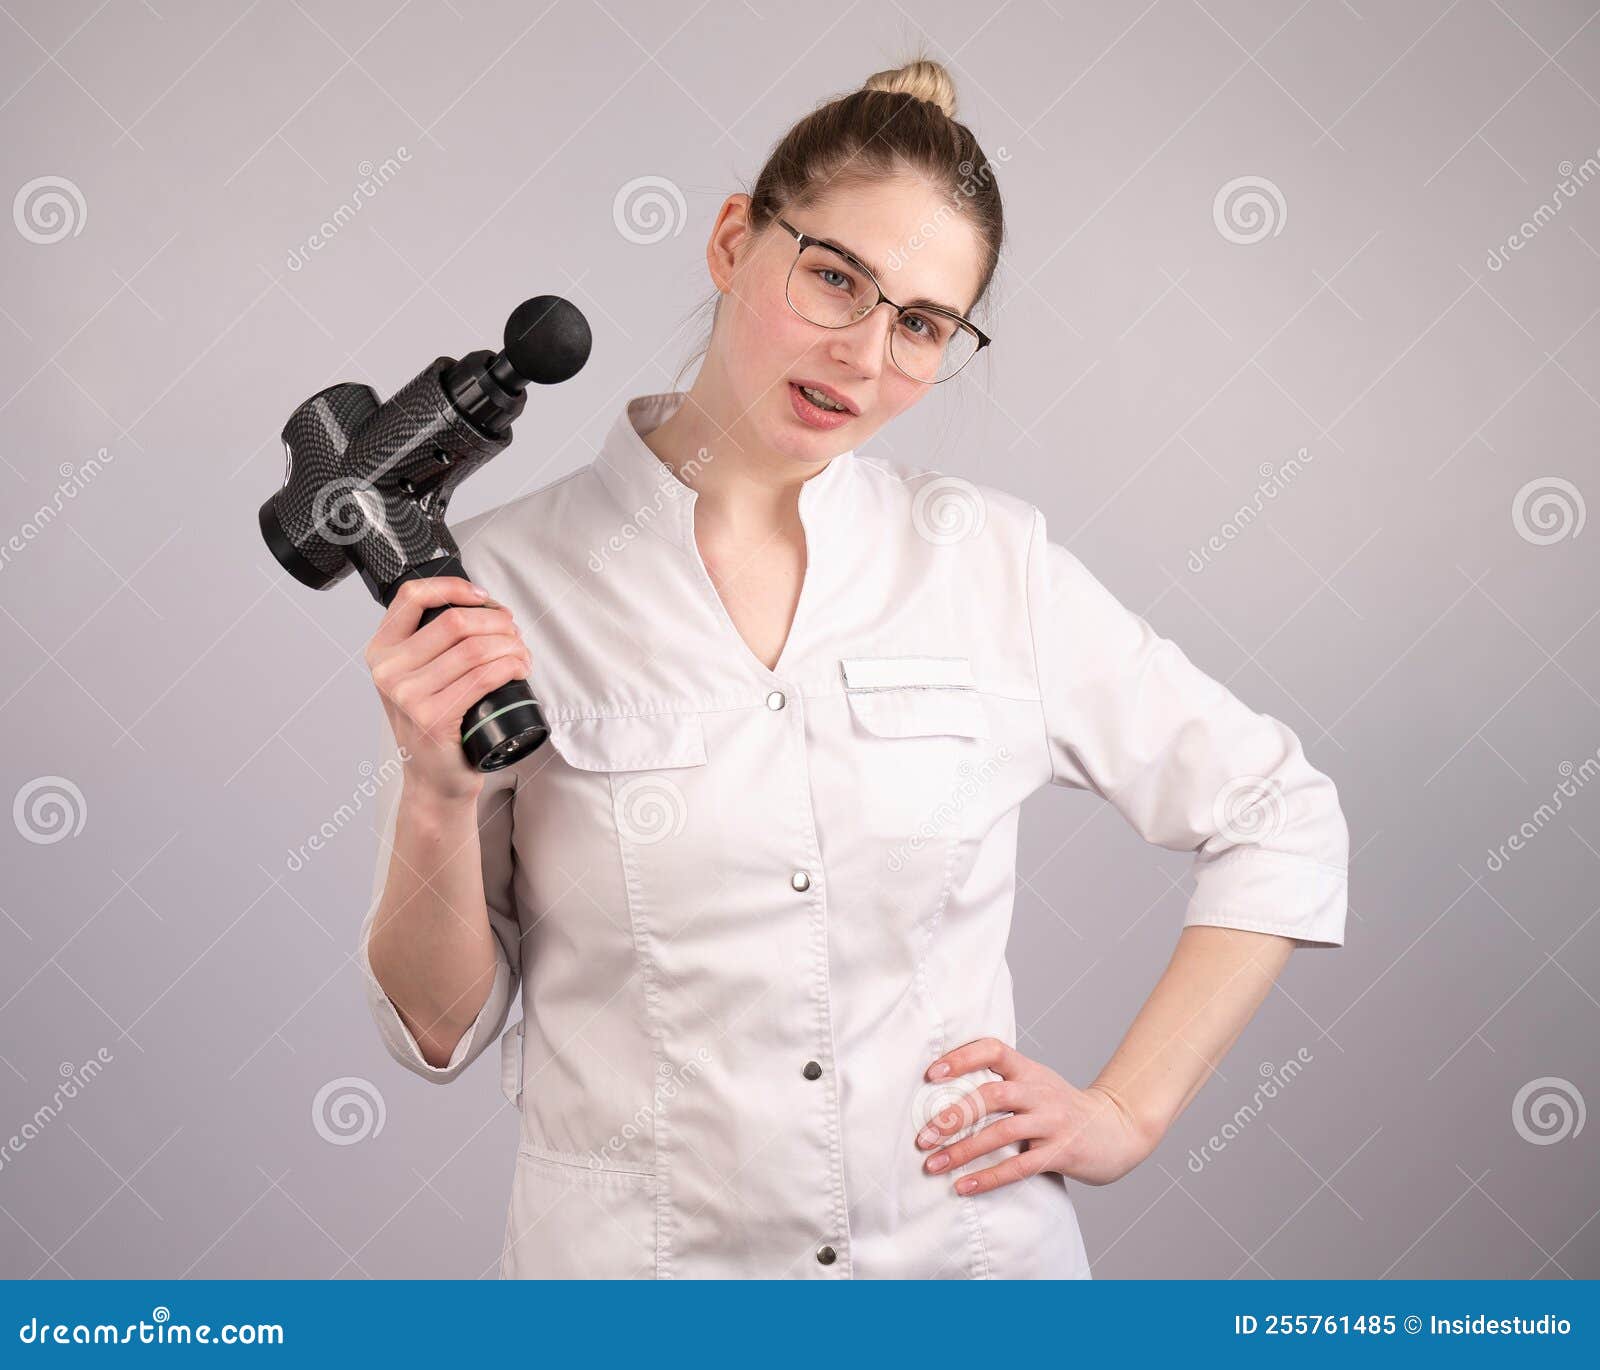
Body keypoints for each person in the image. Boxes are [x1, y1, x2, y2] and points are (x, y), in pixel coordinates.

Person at [357, 57, 1350, 1280]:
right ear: (734, 241)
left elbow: (1275, 808)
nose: (864, 354)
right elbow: (438, 1026)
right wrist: (436, 789)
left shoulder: (986, 561)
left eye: (920, 323)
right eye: (835, 278)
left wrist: (1125, 1109)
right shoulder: (499, 580)